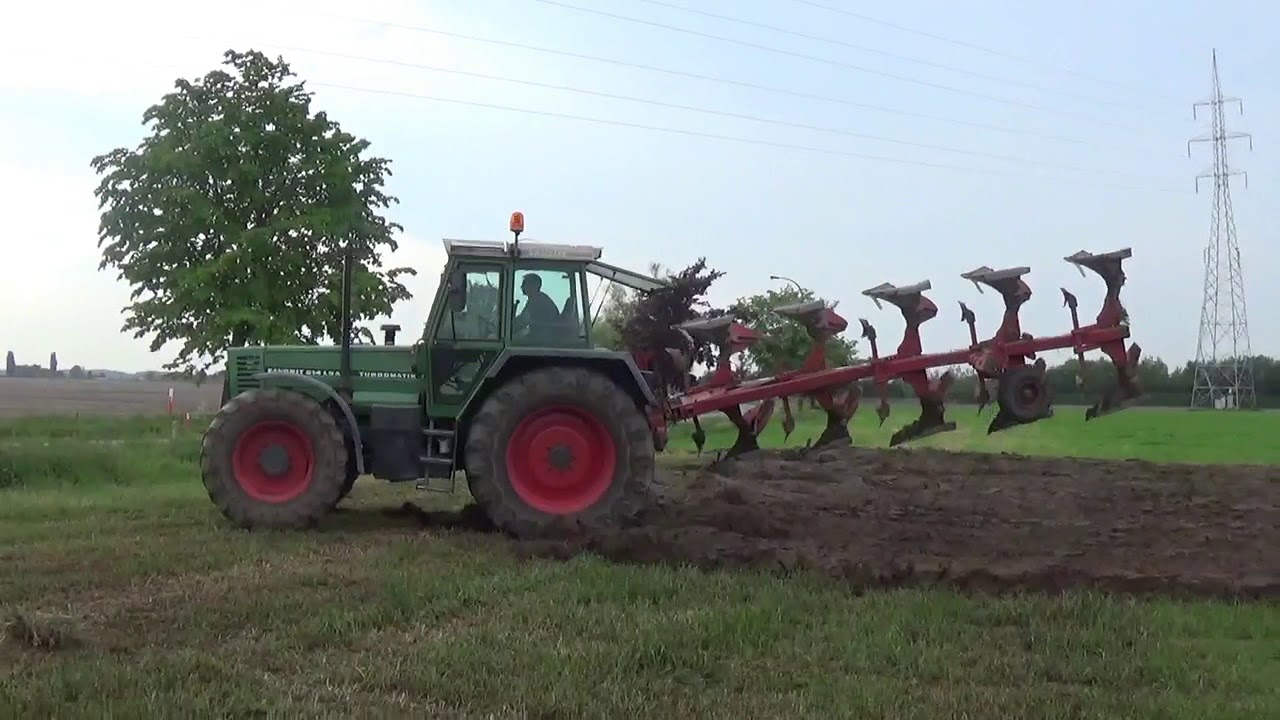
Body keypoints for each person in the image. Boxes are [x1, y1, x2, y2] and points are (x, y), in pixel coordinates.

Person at [513, 273, 560, 340]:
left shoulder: (537, 301)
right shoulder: (539, 298)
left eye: (524, 284)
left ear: (533, 286)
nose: (521, 287)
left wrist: (509, 327)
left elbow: (522, 321)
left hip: (543, 338)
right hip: (543, 335)